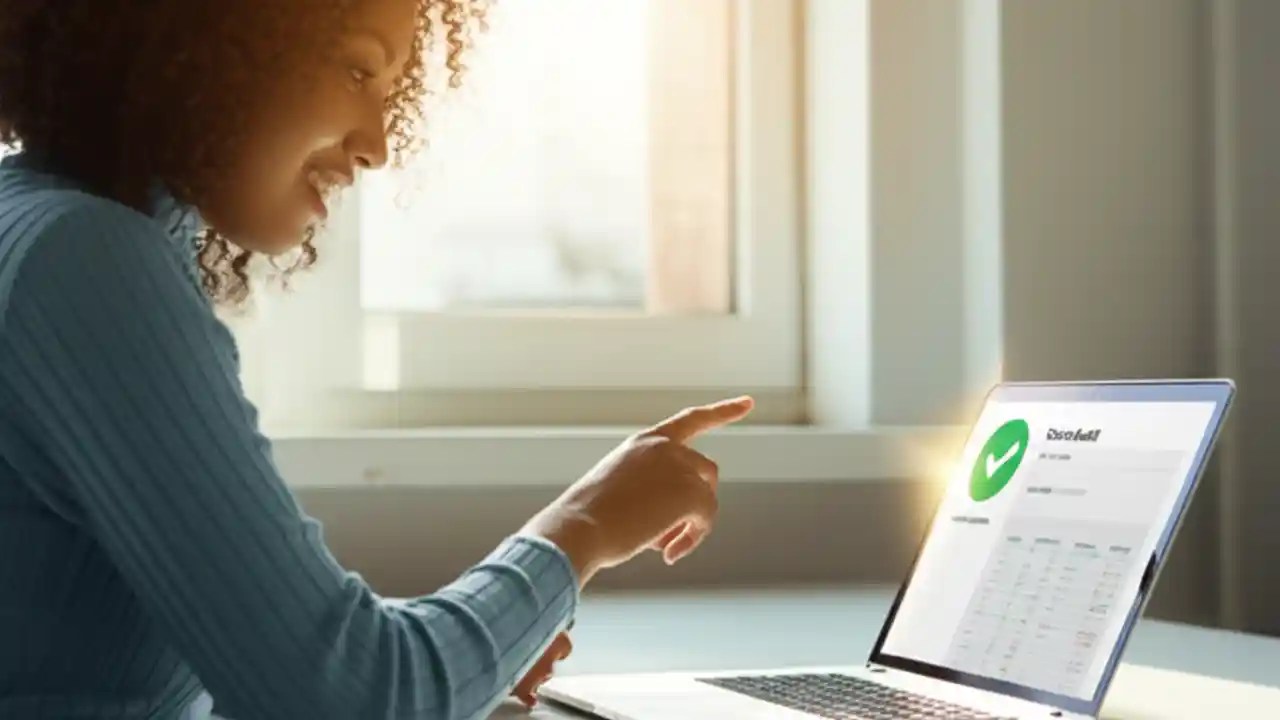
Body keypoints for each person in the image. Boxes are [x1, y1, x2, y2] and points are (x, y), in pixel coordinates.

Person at [0, 1, 753, 718]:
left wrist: (479, 650)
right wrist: (587, 524)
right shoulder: (87, 262)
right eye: (359, 72)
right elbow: (353, 700)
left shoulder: (37, 227)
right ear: (203, 39)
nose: (378, 142)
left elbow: (271, 669)